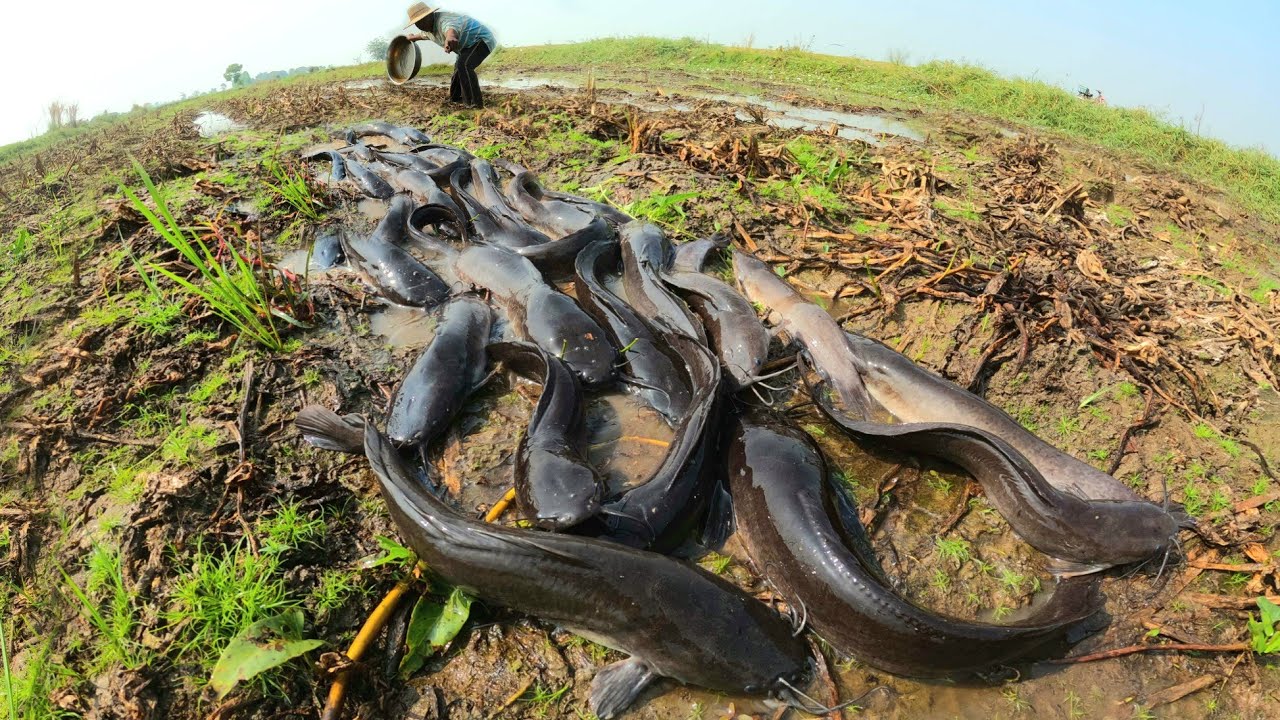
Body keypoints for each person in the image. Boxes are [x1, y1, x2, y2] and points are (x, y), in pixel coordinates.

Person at [403, 3, 496, 109]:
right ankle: (455, 98)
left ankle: (474, 104)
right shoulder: (428, 29)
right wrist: (413, 37)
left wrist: (450, 37)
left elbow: (450, 29)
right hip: (465, 47)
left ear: (430, 15)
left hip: (481, 40)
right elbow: (423, 35)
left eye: (422, 20)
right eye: (417, 23)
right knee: (458, 71)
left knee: (464, 65)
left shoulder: (444, 20)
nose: (421, 25)